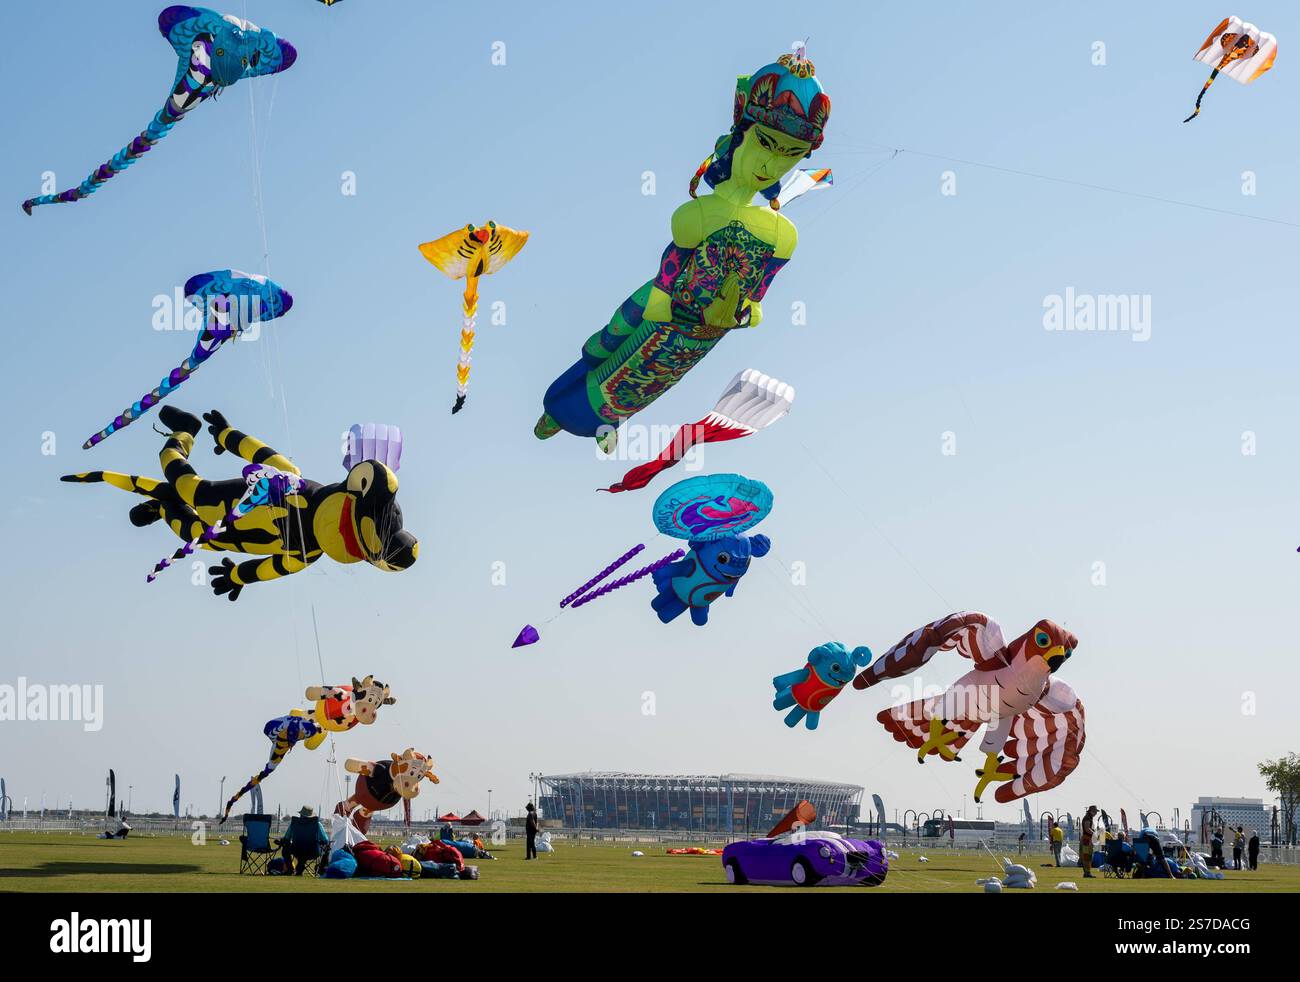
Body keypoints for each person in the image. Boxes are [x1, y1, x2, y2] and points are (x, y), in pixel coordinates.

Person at [283, 806, 329, 876]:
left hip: (296, 850)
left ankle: (290, 869)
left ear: (301, 814)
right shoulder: (316, 824)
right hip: (312, 851)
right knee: (327, 849)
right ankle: (321, 869)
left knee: (285, 849)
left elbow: (286, 838)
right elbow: (325, 840)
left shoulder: (294, 823)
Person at [1079, 805, 1098, 878]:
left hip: (1087, 839)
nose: (1096, 813)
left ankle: (1087, 872)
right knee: (1087, 856)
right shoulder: (1087, 818)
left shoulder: (1089, 817)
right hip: (1087, 839)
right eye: (1095, 811)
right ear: (1091, 811)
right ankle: (1087, 873)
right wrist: (1094, 834)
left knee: (1087, 856)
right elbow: (1087, 829)